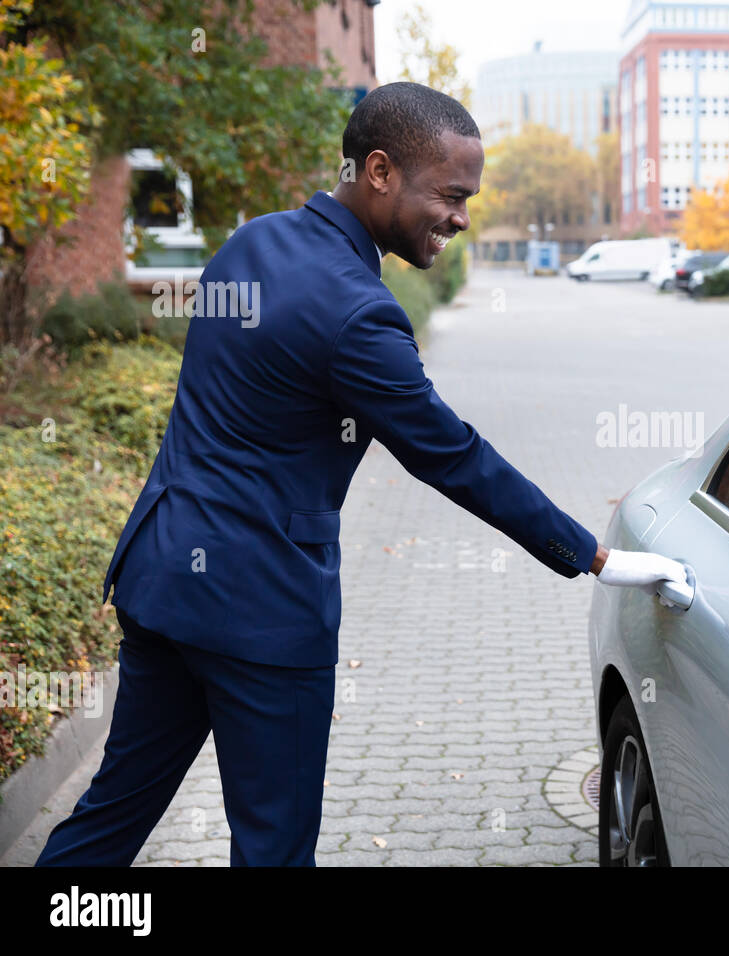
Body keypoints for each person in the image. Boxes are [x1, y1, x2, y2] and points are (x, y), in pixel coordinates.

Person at [36, 83, 684, 866]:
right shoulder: (358, 314)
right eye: (450, 195)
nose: (460, 218)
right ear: (379, 171)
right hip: (263, 619)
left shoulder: (250, 244)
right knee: (275, 850)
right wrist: (595, 555)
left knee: (106, 821)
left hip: (163, 584)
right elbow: (454, 456)